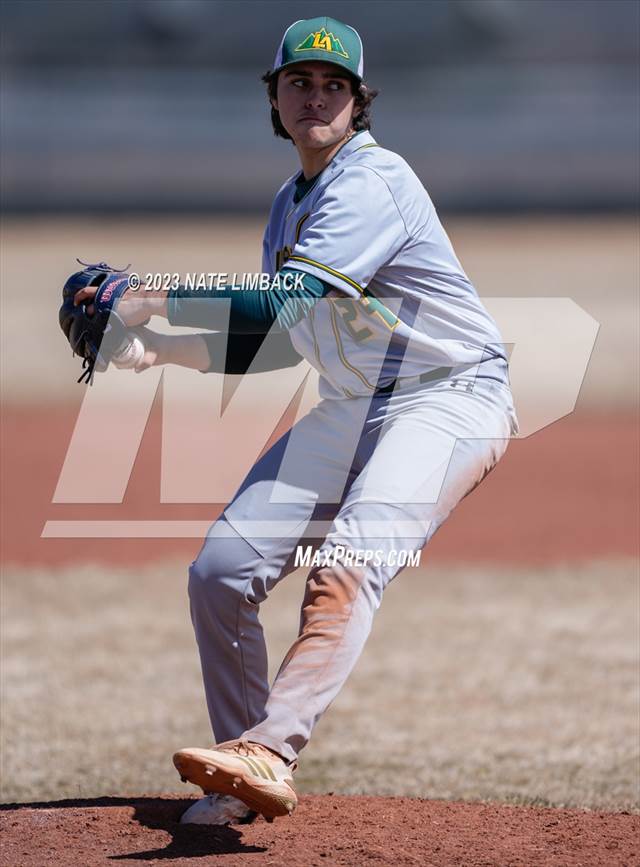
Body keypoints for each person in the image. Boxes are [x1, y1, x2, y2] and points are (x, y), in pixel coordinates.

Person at [76, 16, 518, 825]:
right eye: (300, 82)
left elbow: (294, 297)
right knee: (218, 574)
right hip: (356, 404)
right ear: (274, 99)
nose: (316, 95)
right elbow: (283, 336)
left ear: (358, 103)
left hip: (449, 396)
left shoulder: (370, 183)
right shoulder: (290, 204)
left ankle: (271, 749)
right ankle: (238, 773)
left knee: (347, 563)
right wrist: (161, 353)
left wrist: (151, 297)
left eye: (334, 84)